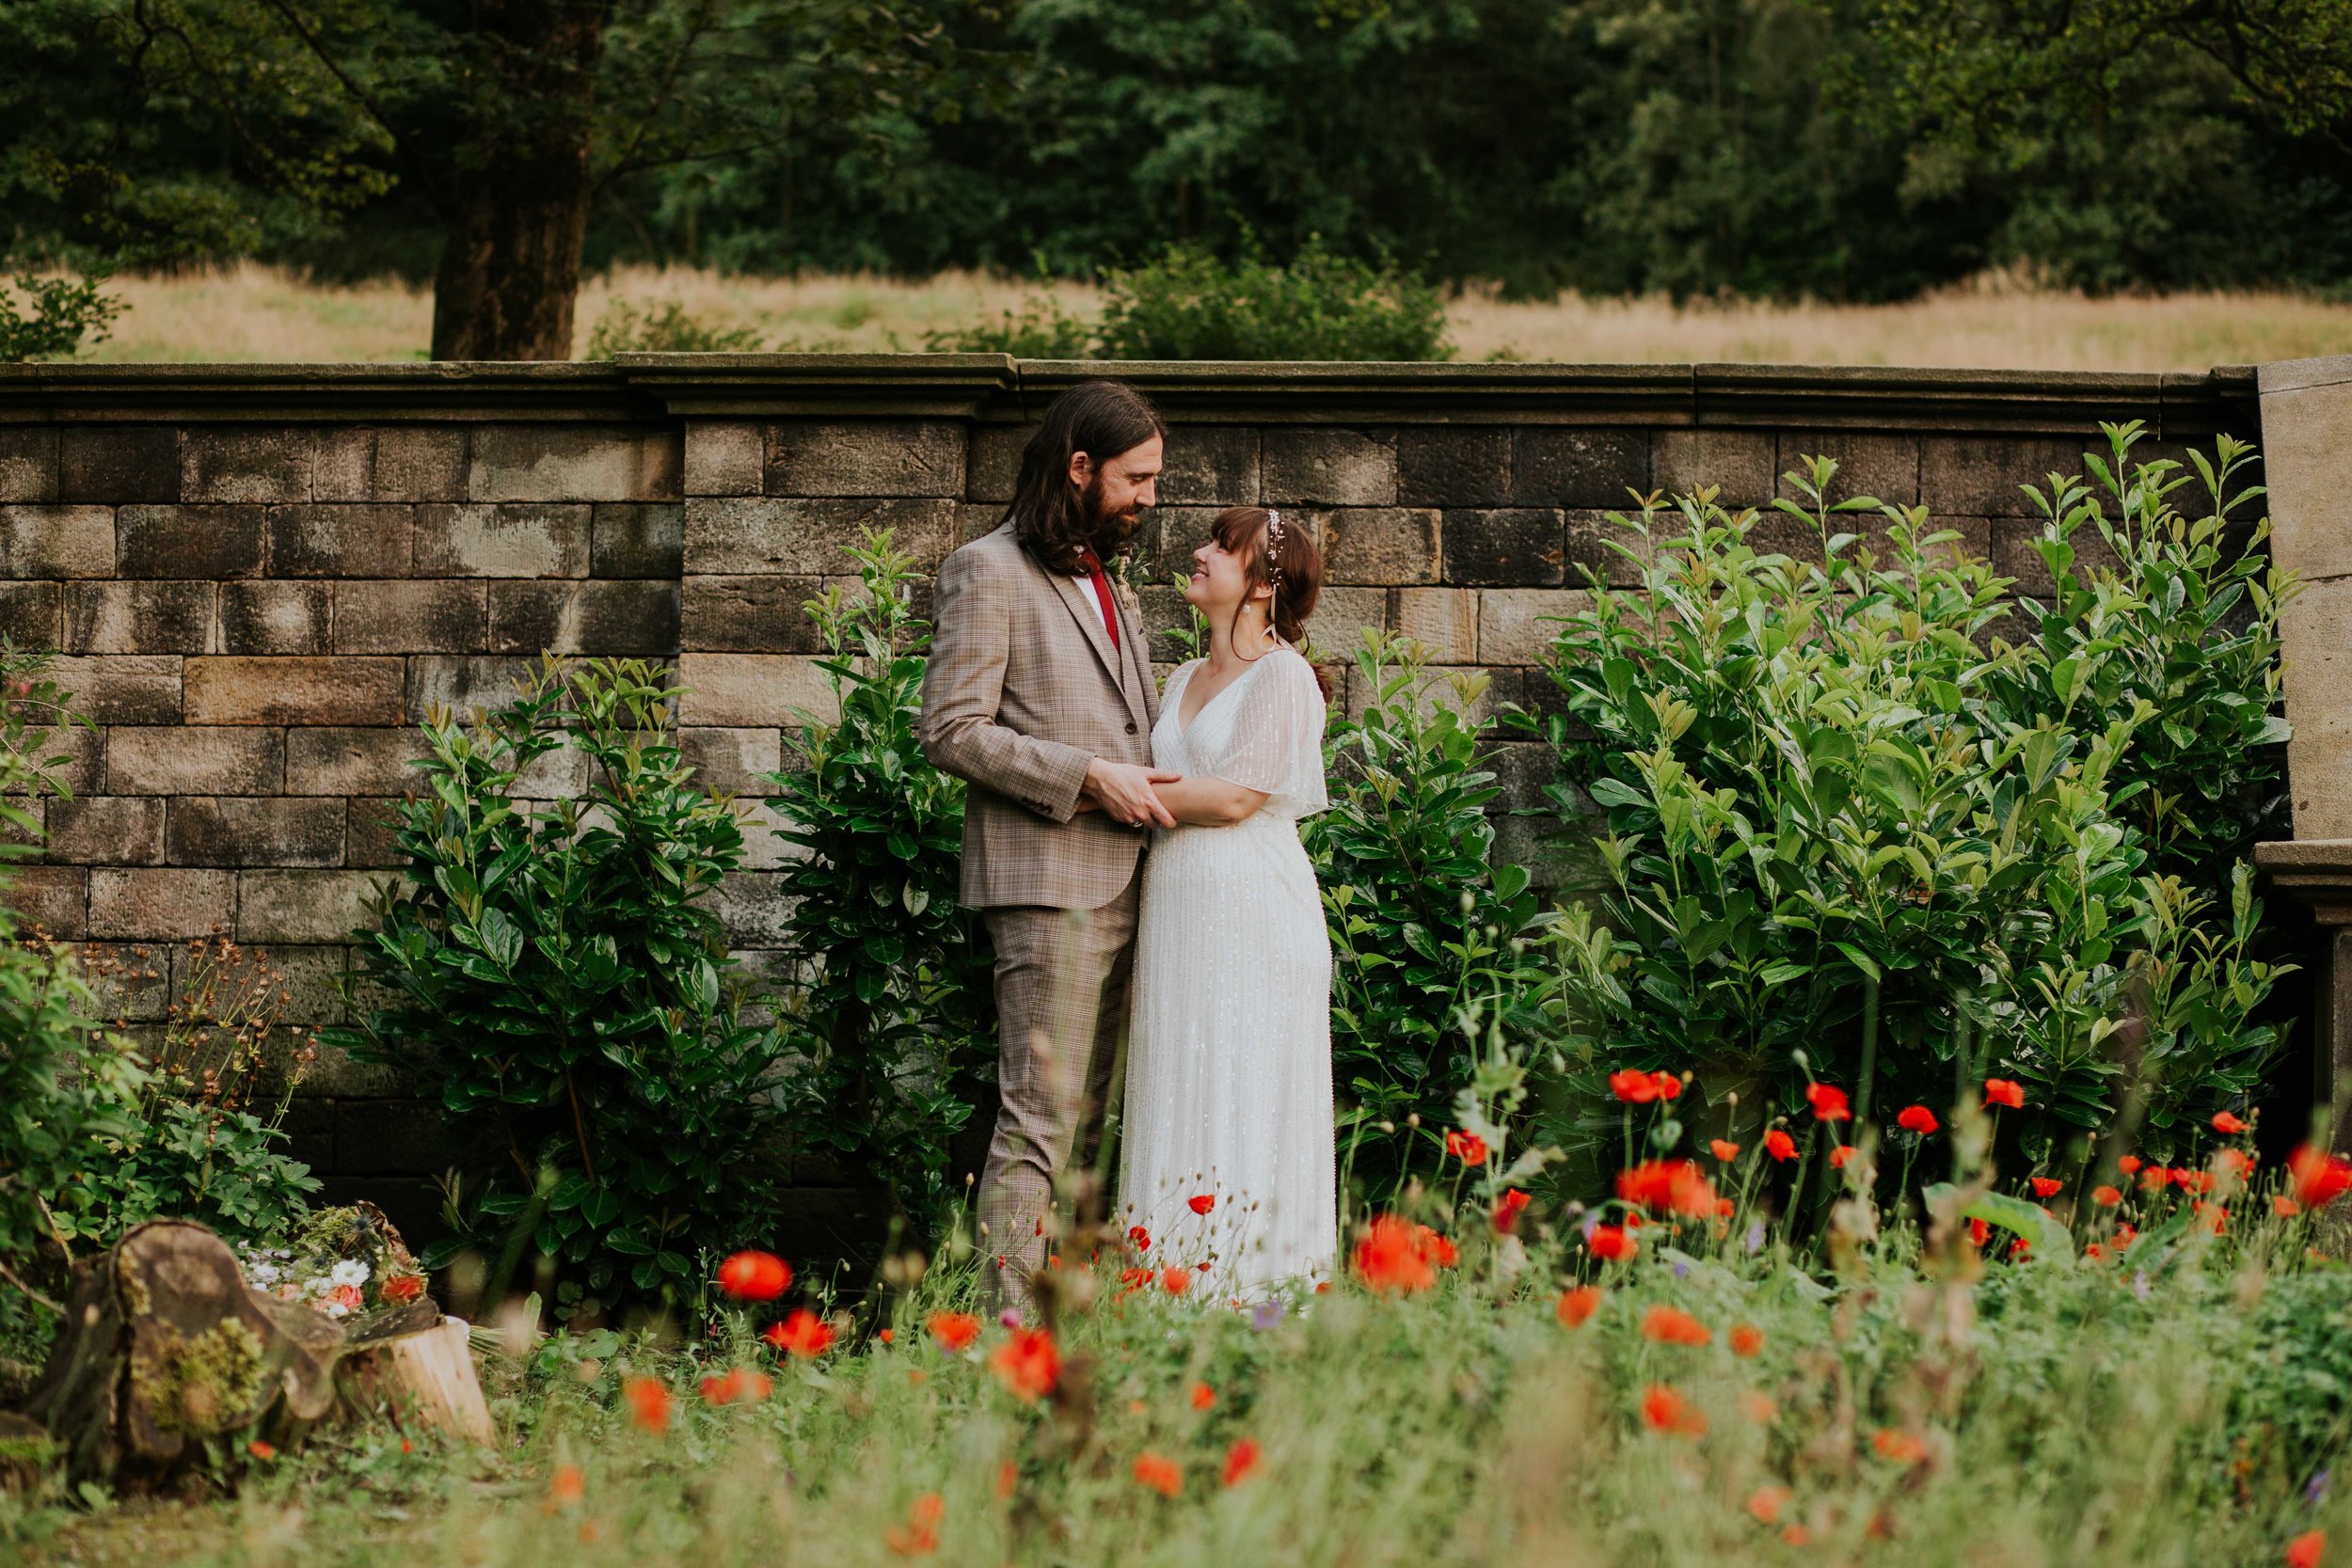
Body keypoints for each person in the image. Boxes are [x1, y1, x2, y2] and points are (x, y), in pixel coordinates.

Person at [918, 378, 1174, 1309]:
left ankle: (1064, 1319)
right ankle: (1004, 1338)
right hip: (1047, 886)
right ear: (1079, 466)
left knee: (1094, 1122)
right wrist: (1088, 775)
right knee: (1039, 1121)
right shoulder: (986, 570)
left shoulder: (1103, 574)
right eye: (1135, 478)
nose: (1150, 496)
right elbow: (950, 728)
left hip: (1135, 881)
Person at [1116, 506, 1336, 1294]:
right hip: (1179, 914)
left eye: (1222, 546)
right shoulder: (1180, 679)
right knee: (1178, 1077)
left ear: (1264, 585)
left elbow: (1239, 796)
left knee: (1242, 1086)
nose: (1200, 552)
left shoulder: (1283, 677)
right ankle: (1166, 1289)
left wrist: (1114, 788)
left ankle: (1253, 1296)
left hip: (1255, 914)